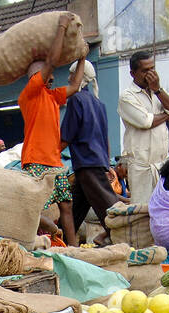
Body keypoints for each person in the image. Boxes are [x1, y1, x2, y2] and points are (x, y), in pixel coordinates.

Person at [19, 12, 86, 245]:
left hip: (54, 161)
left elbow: (75, 86)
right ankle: (39, 238)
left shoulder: (52, 96)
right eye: (44, 75)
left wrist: (81, 58)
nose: (50, 77)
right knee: (33, 207)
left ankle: (73, 248)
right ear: (34, 77)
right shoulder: (30, 94)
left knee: (66, 205)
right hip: (36, 160)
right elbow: (51, 63)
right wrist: (61, 27)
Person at [60, 70, 118, 243]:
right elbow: (105, 137)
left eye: (72, 75)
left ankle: (122, 237)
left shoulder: (76, 100)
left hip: (87, 162)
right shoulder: (99, 104)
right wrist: (107, 163)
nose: (70, 78)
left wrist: (50, 154)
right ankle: (61, 240)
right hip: (96, 161)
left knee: (109, 210)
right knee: (75, 207)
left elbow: (66, 136)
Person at [118, 50, 169, 203]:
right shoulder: (127, 96)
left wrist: (158, 90)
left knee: (166, 210)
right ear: (133, 73)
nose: (151, 74)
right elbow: (146, 122)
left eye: (152, 68)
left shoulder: (157, 92)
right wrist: (168, 115)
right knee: (143, 213)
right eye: (145, 70)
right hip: (142, 169)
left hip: (163, 166)